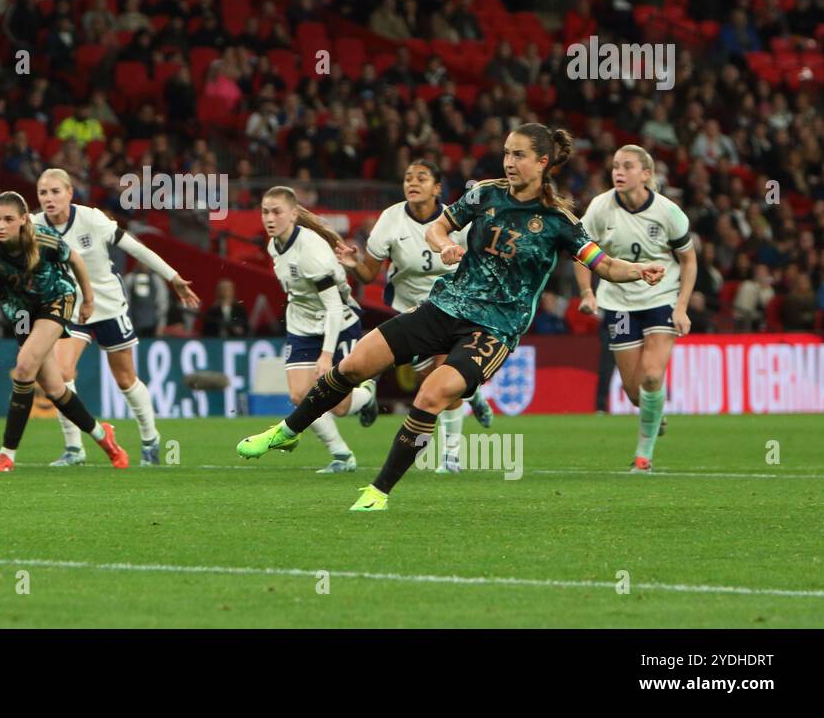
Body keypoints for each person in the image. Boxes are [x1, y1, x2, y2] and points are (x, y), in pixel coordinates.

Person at [237, 124, 668, 511]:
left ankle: (379, 491)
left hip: (494, 329)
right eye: (506, 153)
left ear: (542, 162)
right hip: (445, 306)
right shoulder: (485, 194)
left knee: (430, 396)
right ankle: (287, 431)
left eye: (519, 155)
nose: (509, 162)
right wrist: (445, 244)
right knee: (353, 365)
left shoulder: (559, 221)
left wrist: (638, 270)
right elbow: (437, 227)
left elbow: (605, 265)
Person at [336, 160, 495, 474]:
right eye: (408, 178)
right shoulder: (390, 220)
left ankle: (451, 456)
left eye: (422, 178)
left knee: (444, 378)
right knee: (429, 384)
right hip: (411, 313)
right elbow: (369, 275)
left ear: (437, 188)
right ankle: (472, 393)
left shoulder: (458, 221)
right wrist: (354, 265)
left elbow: (480, 266)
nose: (412, 183)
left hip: (452, 309)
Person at [33, 169, 200, 467]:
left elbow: (134, 247)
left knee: (125, 378)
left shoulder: (91, 219)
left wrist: (172, 277)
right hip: (71, 307)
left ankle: (150, 439)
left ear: (70, 193)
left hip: (108, 304)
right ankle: (74, 449)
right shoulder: (34, 226)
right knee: (61, 374)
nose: (49, 198)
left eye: (56, 191)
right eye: (43, 192)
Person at [0, 190, 128, 472]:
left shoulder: (43, 238)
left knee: (23, 368)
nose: (0, 225)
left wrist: (89, 300)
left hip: (56, 300)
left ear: (23, 219)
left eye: (8, 219)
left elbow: (75, 260)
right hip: (20, 311)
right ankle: (102, 436)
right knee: (55, 388)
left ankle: (6, 455)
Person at [576, 145, 696, 473]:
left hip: (661, 298)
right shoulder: (600, 208)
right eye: (616, 166)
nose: (619, 172)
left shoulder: (668, 212)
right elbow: (580, 252)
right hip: (618, 303)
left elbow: (689, 260)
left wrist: (681, 307)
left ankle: (644, 457)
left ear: (646, 174)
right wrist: (587, 293)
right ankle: (655, 413)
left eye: (627, 166)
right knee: (633, 392)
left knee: (653, 375)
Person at [261, 186, 378, 474]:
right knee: (299, 395)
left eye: (276, 212)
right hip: (301, 324)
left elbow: (334, 307)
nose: (270, 218)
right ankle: (342, 455)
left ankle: (367, 395)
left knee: (339, 407)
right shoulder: (273, 245)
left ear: (293, 214)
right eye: (265, 212)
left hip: (338, 323)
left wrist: (326, 355)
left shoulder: (312, 252)